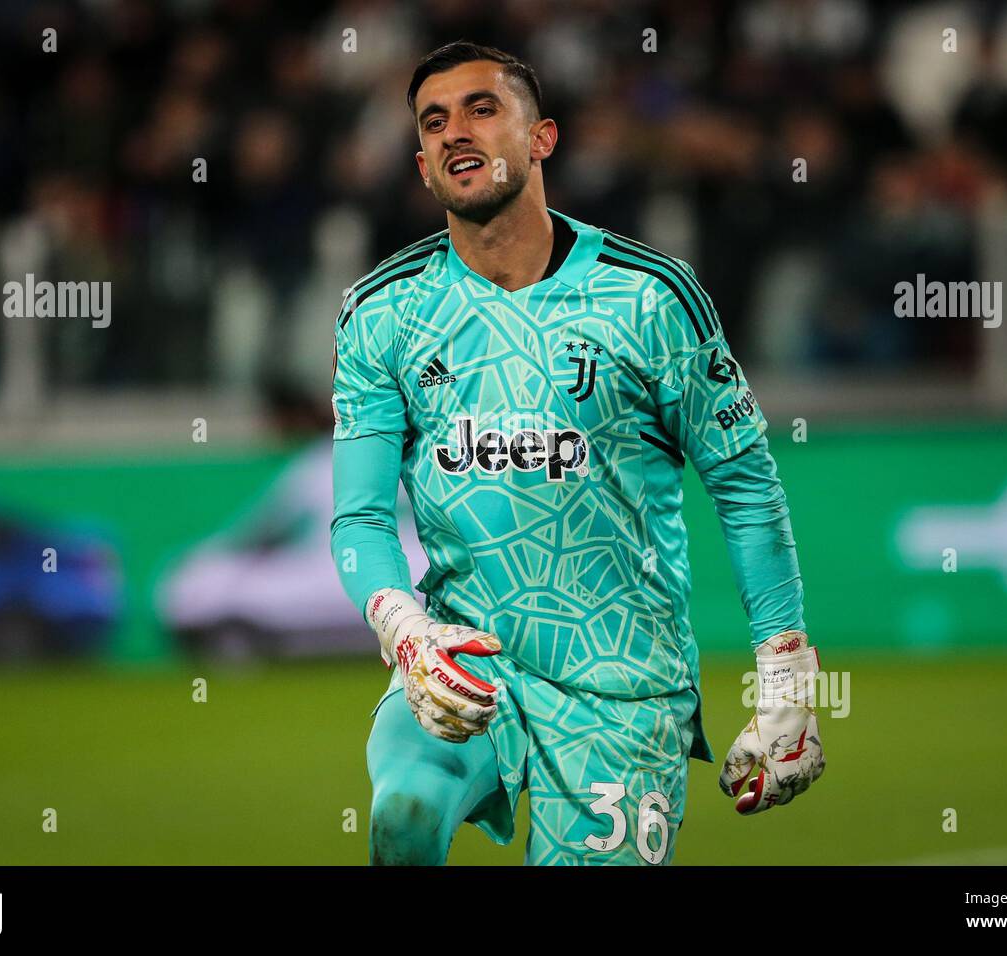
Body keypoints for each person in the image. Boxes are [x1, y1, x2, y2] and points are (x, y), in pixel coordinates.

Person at [330, 41, 823, 865]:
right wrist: (407, 631)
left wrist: (787, 682)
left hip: (622, 686)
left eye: (483, 109)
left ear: (542, 138)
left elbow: (744, 487)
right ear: (421, 165)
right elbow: (360, 515)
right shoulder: (384, 312)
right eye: (435, 121)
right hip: (466, 658)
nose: (458, 132)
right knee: (405, 813)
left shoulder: (650, 296)